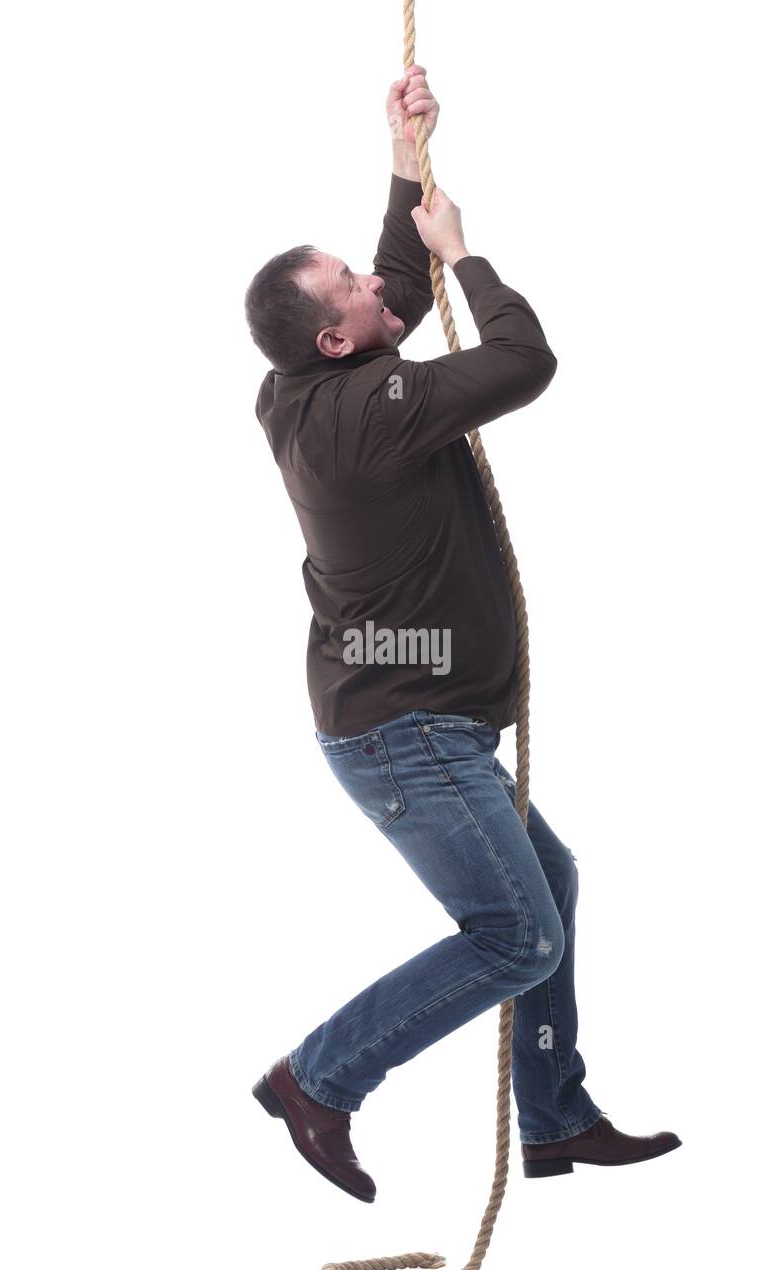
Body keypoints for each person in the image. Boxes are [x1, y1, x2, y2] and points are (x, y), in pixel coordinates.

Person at [244, 65, 681, 1203]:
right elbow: (523, 363)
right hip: (403, 732)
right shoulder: (362, 420)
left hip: (412, 718)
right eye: (347, 283)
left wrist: (403, 162)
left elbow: (386, 291)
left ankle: (552, 1116)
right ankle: (319, 1079)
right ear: (338, 344)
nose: (372, 278)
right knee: (514, 935)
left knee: (549, 881)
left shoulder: (298, 382)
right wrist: (465, 255)